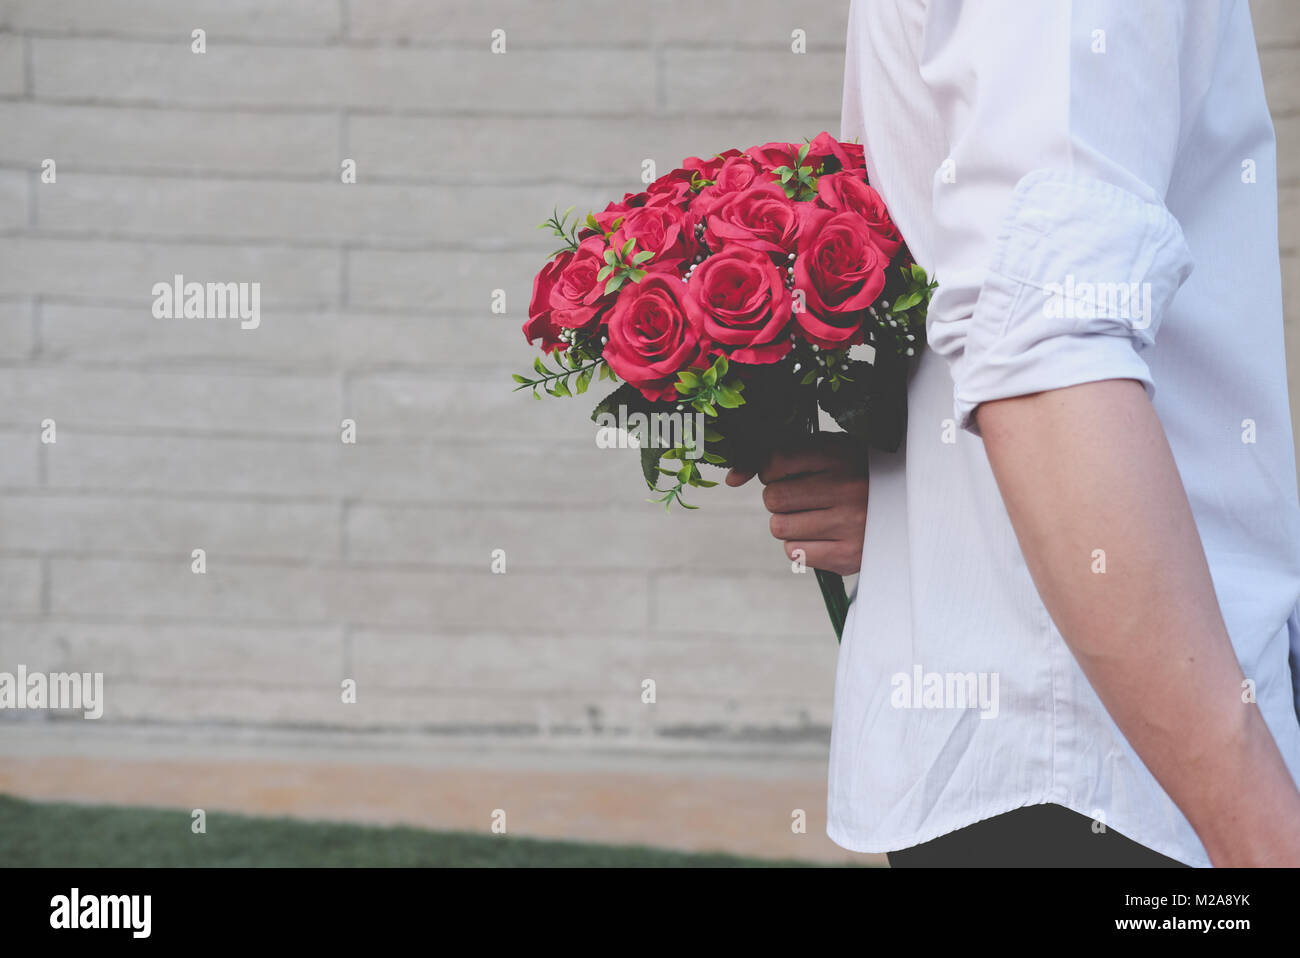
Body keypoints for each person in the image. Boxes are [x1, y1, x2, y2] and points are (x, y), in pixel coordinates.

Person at [729, 0, 1300, 866]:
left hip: (1065, 744)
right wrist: (1267, 844)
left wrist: (928, 495)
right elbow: (1050, 362)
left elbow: (993, 296)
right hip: (1111, 771)